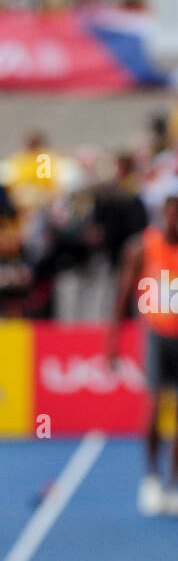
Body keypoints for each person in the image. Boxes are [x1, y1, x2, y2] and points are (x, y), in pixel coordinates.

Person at [108, 188, 178, 516]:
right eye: (171, 210)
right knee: (153, 405)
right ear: (163, 212)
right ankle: (151, 478)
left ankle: (174, 483)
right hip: (156, 333)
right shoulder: (143, 246)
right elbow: (123, 294)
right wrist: (112, 340)